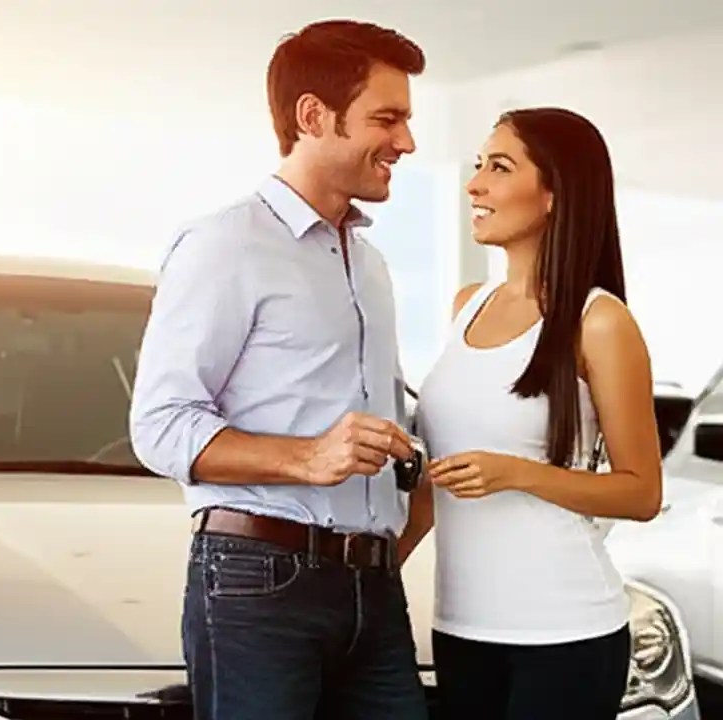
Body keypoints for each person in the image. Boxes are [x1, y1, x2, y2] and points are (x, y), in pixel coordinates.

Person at [128, 19, 430, 720]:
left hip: (374, 586)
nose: (407, 143)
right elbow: (160, 426)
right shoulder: (224, 245)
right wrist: (307, 457)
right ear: (313, 116)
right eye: (387, 118)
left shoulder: (371, 265)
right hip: (257, 584)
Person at [404, 107, 663, 719]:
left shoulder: (599, 321)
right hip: (461, 627)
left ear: (554, 194)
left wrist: (516, 473)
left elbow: (641, 492)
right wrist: (375, 572)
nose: (475, 185)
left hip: (564, 633)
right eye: (476, 167)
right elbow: (435, 482)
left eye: (499, 167)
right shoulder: (466, 306)